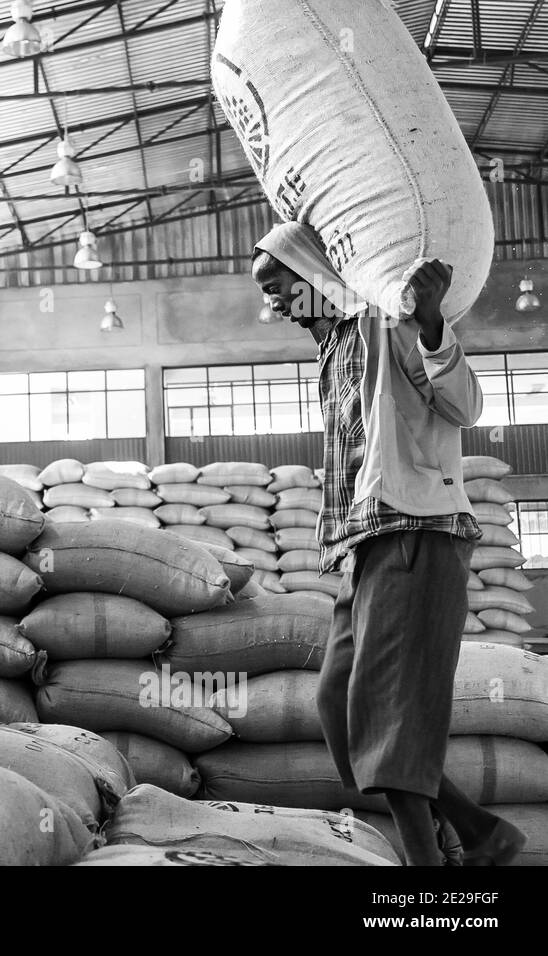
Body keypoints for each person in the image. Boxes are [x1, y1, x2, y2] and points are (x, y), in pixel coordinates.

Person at [250, 221, 526, 866]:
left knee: (385, 719)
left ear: (313, 274)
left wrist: (431, 324)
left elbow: (466, 406)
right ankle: (478, 831)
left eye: (278, 286)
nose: (273, 304)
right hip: (364, 545)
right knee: (337, 705)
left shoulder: (385, 322)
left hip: (415, 531)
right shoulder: (332, 346)